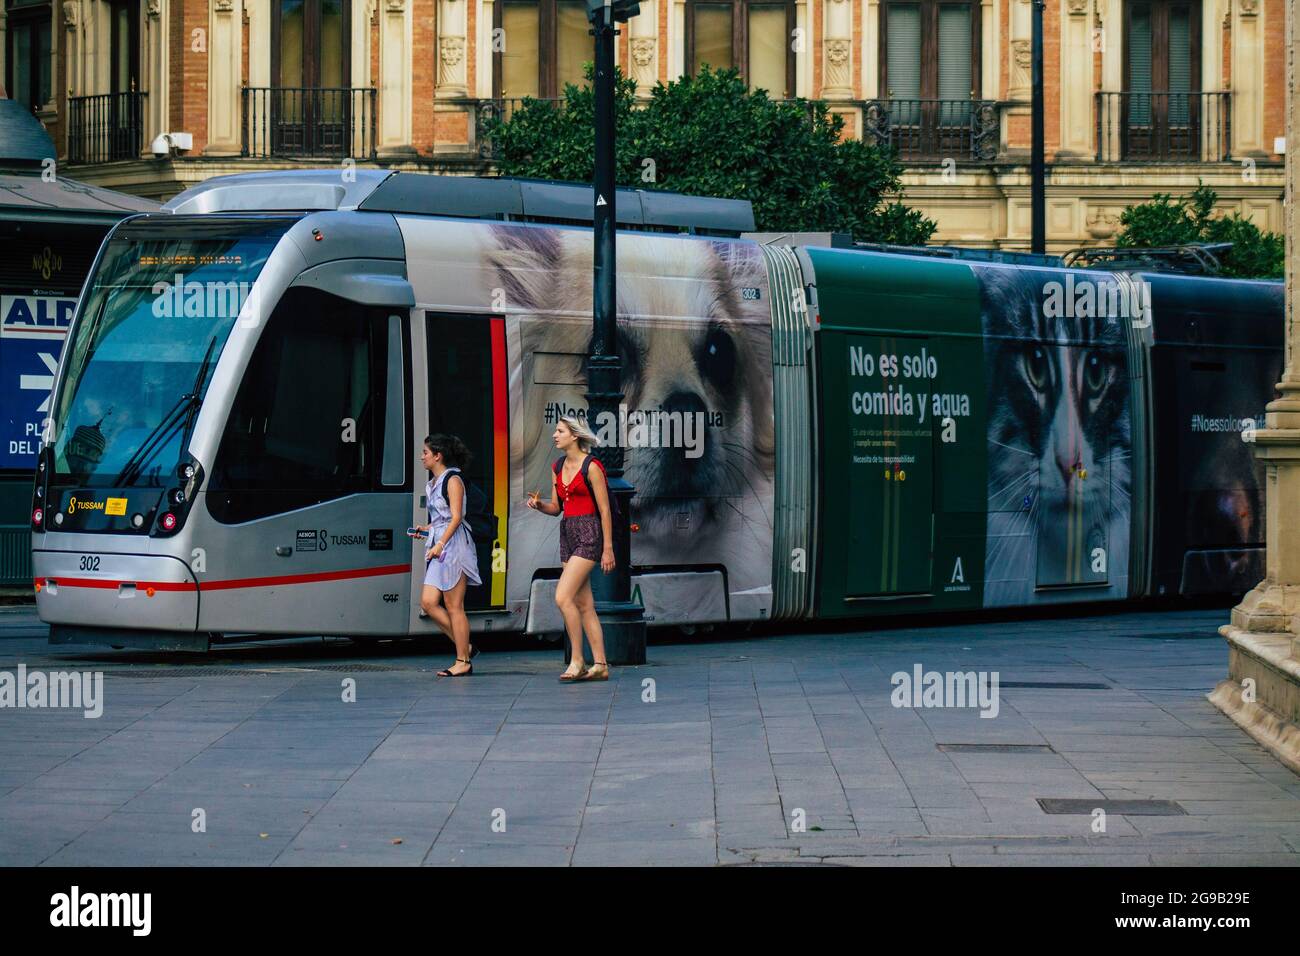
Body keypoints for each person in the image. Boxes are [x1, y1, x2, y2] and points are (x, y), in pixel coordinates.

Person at [525, 415, 615, 682]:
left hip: (589, 533)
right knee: (584, 604)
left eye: (560, 431)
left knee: (562, 597)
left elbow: (605, 509)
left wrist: (607, 548)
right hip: (568, 532)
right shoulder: (557, 466)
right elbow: (556, 509)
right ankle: (600, 665)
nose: (555, 435)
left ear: (574, 435)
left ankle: (577, 660)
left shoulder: (592, 466)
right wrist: (539, 506)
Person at [410, 434, 482, 677]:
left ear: (438, 455)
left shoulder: (453, 480)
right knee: (428, 602)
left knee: (454, 606)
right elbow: (441, 520)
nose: (422, 456)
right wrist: (426, 530)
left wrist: (440, 542)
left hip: (454, 548)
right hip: (440, 546)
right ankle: (466, 647)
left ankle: (463, 659)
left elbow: (456, 517)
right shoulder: (433, 483)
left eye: (425, 452)